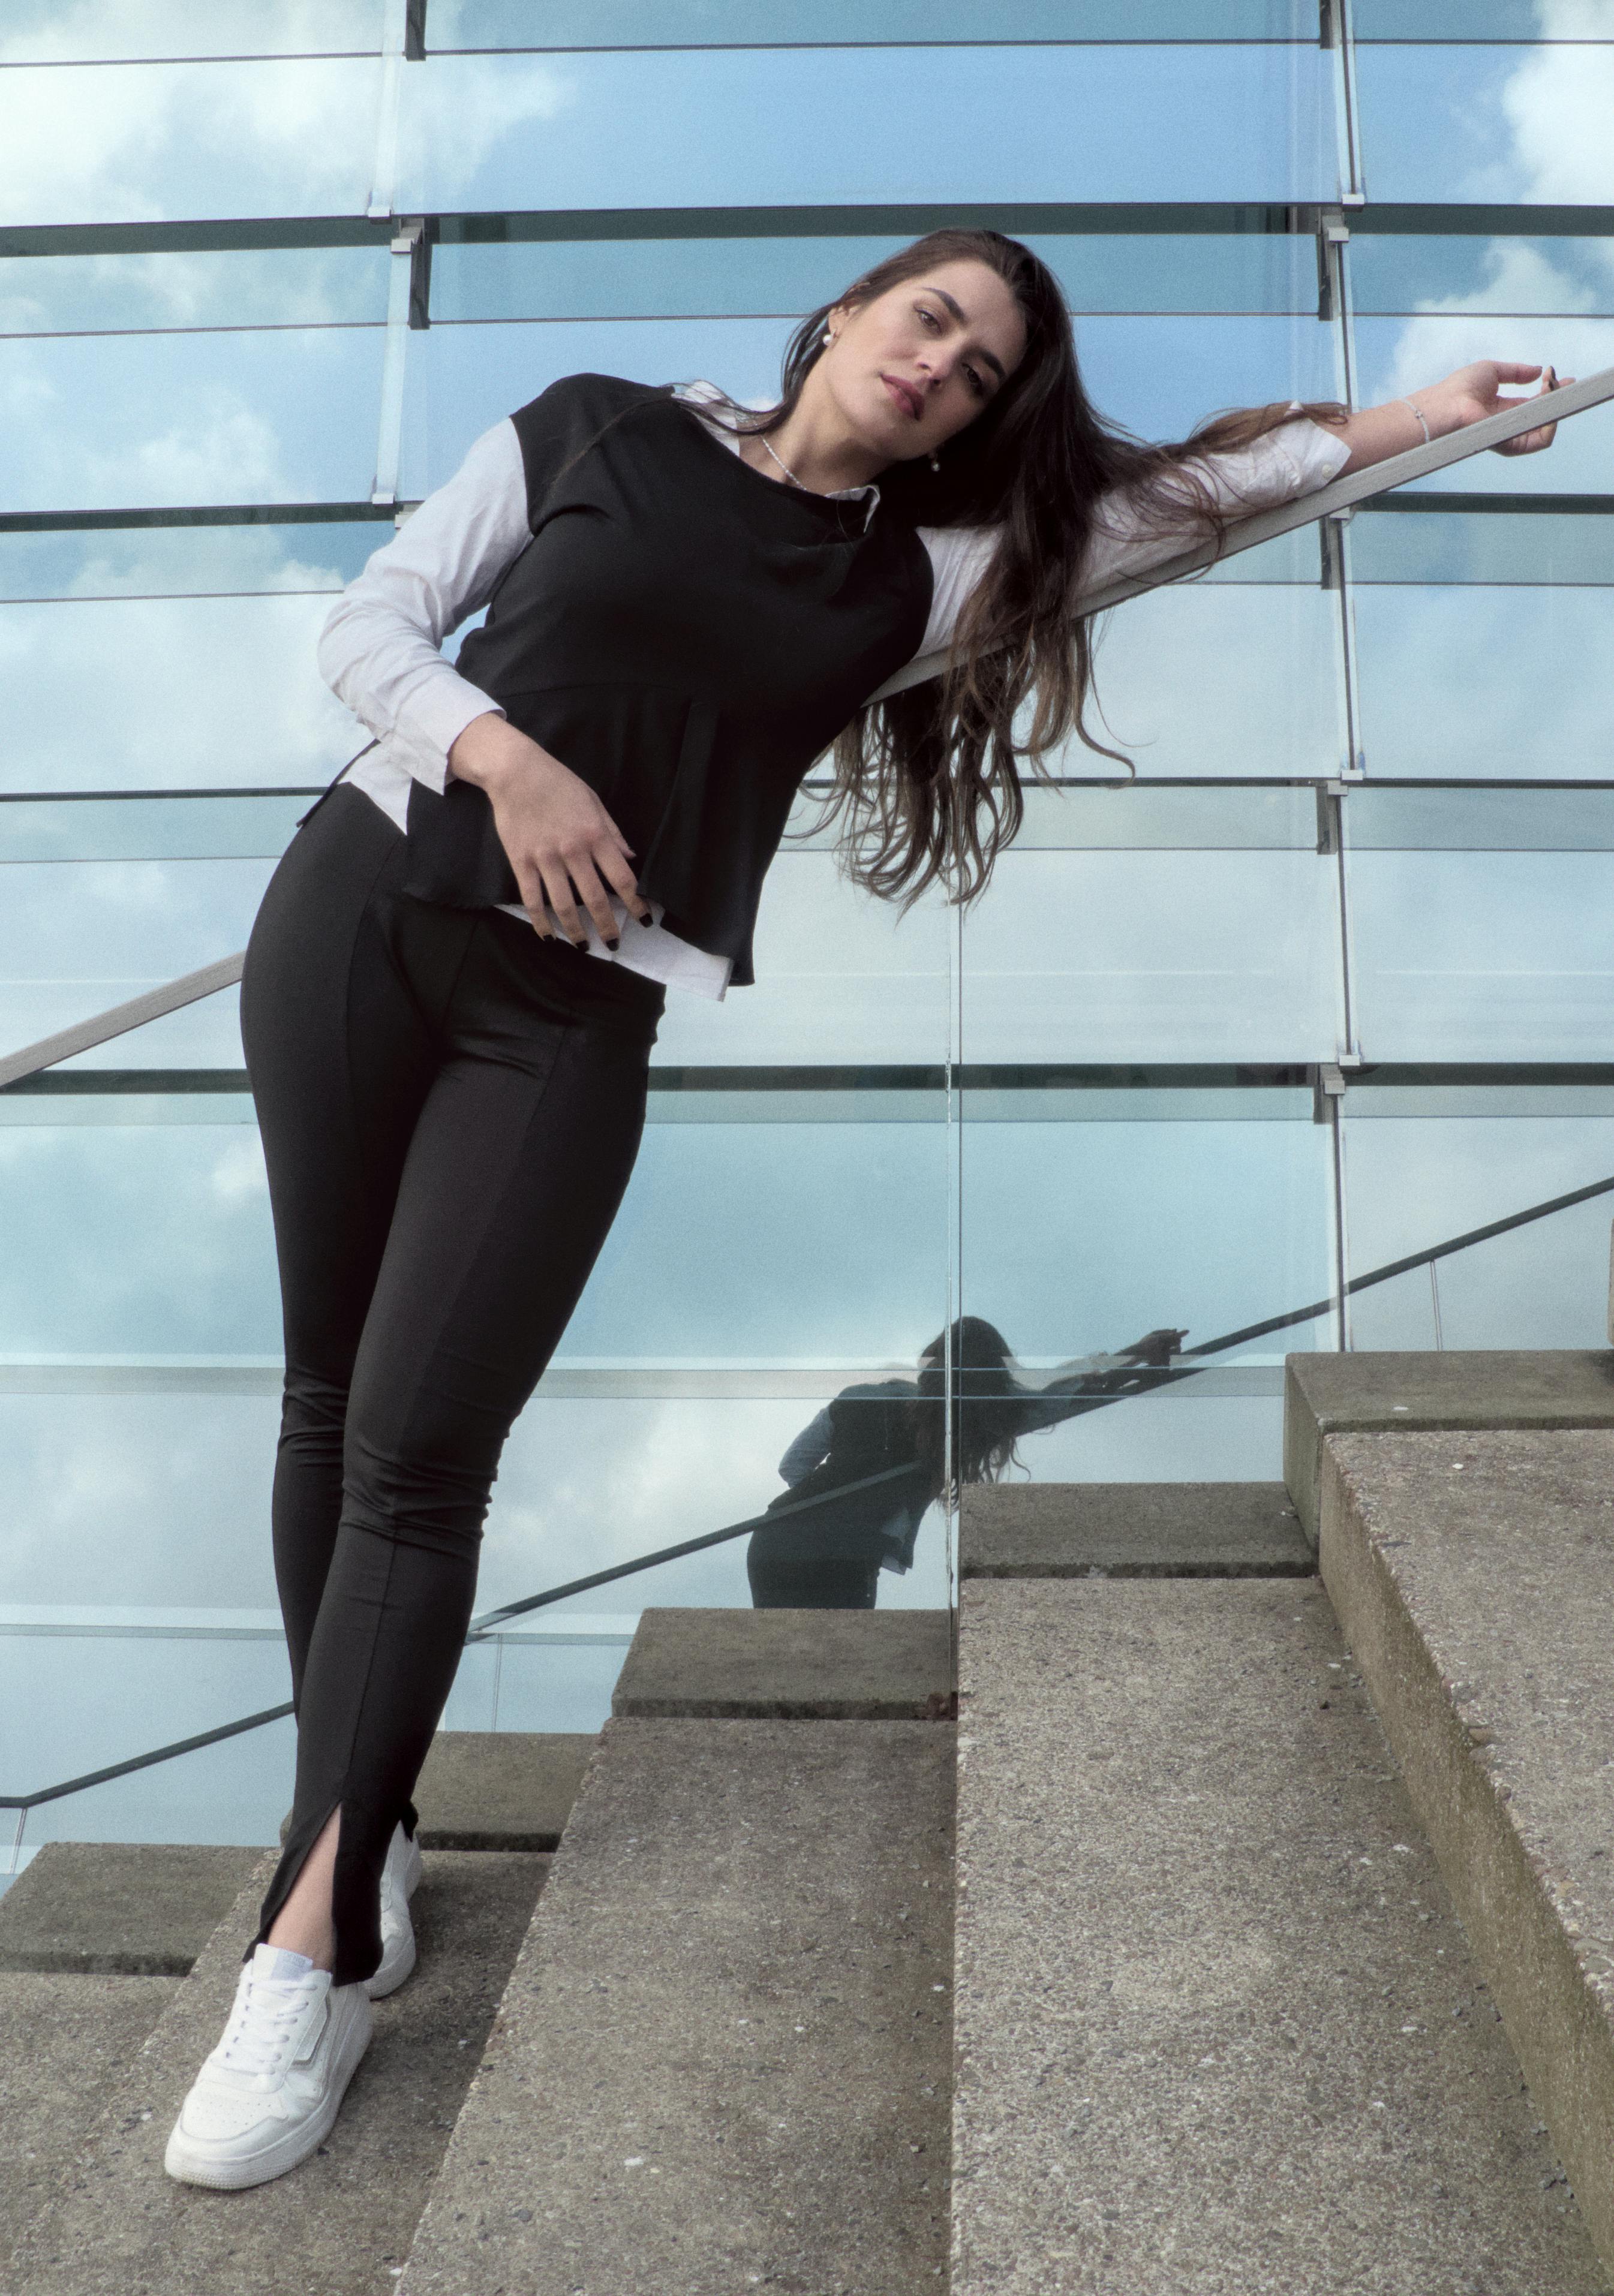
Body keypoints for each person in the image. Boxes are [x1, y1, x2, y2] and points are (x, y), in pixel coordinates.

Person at [161, 225, 1565, 2189]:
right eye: (929, 314)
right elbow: (372, 626)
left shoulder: (925, 575)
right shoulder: (595, 428)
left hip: (567, 1015)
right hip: (357, 912)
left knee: (420, 1452)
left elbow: (1184, 500)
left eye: (982, 365)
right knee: (328, 1394)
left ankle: (300, 1956)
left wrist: (1412, 419)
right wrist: (510, 757)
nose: (941, 362)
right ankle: (358, 1831)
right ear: (844, 311)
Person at [749, 1316, 1188, 1609]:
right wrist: (1136, 1353)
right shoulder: (965, 1419)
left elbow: (793, 1467)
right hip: (845, 1555)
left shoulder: (859, 1396)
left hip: (777, 1537)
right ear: (990, 1375)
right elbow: (1059, 1394)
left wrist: (840, 1499)